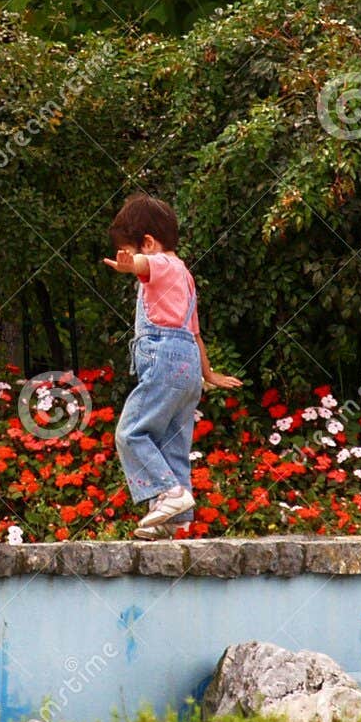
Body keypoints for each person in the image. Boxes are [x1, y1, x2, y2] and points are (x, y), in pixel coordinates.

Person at [102, 194, 241, 539]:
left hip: (163, 360)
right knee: (171, 444)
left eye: (132, 250)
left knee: (131, 432)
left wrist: (130, 265)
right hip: (188, 368)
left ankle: (169, 493)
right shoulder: (187, 279)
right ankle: (174, 518)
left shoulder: (162, 262)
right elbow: (194, 333)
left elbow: (146, 266)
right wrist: (209, 374)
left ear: (147, 243)